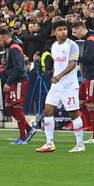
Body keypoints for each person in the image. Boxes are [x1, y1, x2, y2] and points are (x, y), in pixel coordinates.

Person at [35, 19, 86, 154]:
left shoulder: (73, 45)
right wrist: (55, 75)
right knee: (48, 111)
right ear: (54, 32)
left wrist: (60, 76)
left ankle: (80, 144)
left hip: (69, 86)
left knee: (73, 113)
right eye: (60, 30)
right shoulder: (54, 46)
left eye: (65, 29)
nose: (63, 32)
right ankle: (49, 143)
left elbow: (73, 64)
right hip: (56, 85)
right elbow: (57, 64)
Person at [0, 26, 31, 144]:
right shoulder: (10, 48)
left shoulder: (14, 48)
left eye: (0, 40)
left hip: (19, 81)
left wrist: (8, 82)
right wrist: (6, 65)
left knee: (16, 107)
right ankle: (29, 129)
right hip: (15, 81)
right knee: (9, 108)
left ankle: (23, 137)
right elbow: (14, 66)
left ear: (6, 37)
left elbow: (19, 68)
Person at [72, 20, 94, 143]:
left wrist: (74, 58)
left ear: (81, 29)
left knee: (91, 105)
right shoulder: (89, 39)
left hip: (93, 77)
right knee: (80, 102)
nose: (75, 35)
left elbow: (88, 58)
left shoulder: (91, 40)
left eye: (75, 32)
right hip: (88, 77)